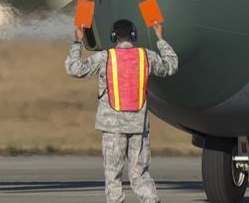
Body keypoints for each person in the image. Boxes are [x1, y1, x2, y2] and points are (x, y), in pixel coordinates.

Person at [65, 19, 179, 203]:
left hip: (113, 128)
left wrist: (78, 42)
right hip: (138, 126)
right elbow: (171, 66)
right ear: (134, 35)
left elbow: (74, 69)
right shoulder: (146, 56)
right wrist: (160, 39)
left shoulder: (105, 57)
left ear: (113, 37)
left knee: (113, 177)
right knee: (140, 175)